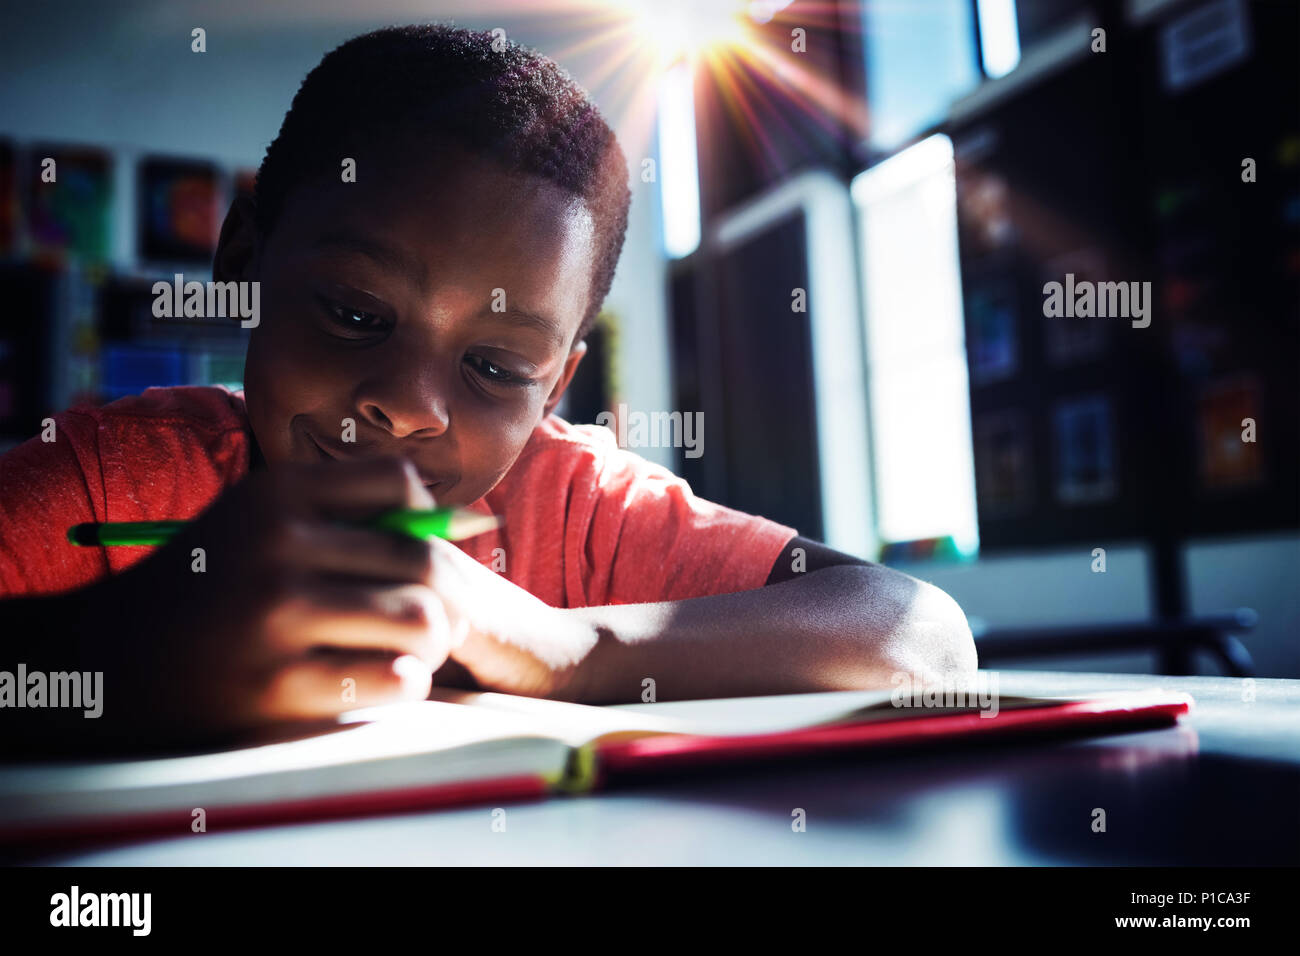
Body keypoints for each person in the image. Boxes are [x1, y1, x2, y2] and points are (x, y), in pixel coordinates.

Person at [0, 25, 975, 755]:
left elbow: (921, 633)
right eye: (352, 310)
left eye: (497, 368)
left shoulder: (583, 511)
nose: (412, 404)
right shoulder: (109, 483)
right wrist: (125, 646)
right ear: (246, 256)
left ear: (555, 384)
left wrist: (565, 647)